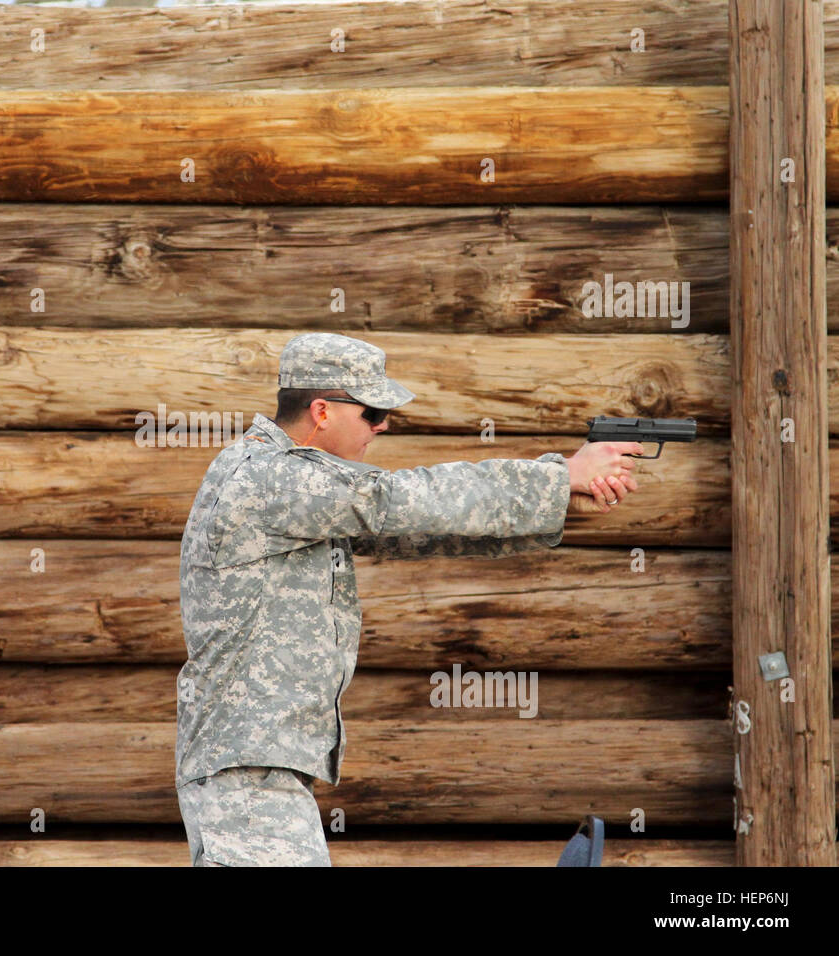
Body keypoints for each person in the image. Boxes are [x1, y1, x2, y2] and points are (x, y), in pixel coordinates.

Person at [174, 332, 641, 866]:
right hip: (244, 767)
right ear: (321, 411)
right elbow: (400, 502)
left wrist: (561, 503)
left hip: (258, 763)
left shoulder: (299, 487)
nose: (383, 425)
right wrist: (560, 474)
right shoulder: (268, 476)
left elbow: (414, 532)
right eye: (372, 412)